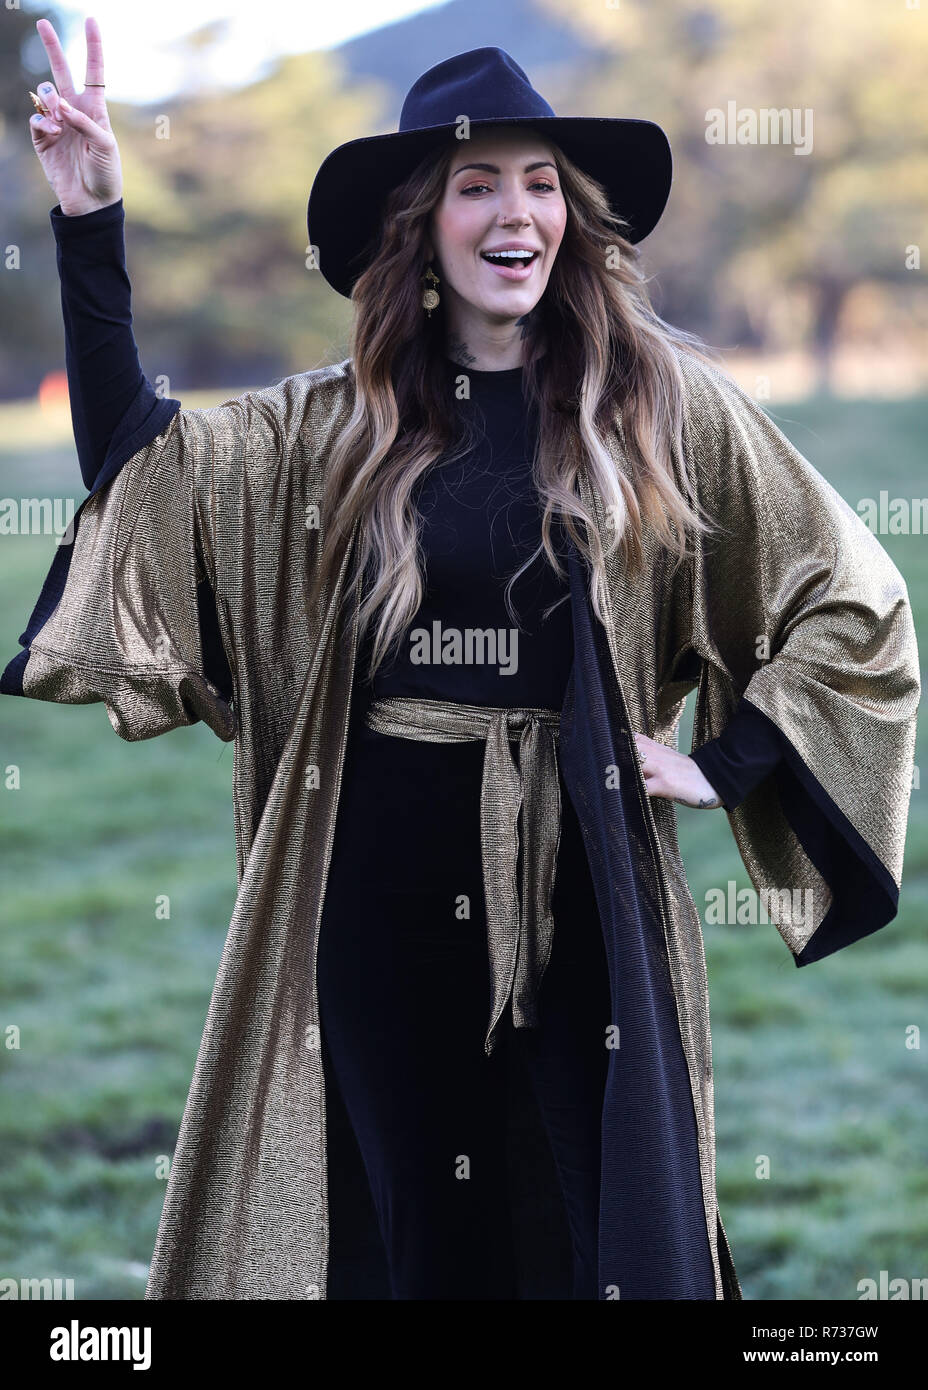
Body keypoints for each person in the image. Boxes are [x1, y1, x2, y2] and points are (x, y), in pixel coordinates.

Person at [9, 21, 917, 1301]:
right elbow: (145, 482)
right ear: (420, 227)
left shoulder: (657, 406)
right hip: (376, 889)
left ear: (572, 215)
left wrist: (731, 760)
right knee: (405, 1242)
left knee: (605, 1227)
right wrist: (92, 223)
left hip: (584, 883)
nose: (516, 213)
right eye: (475, 185)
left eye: (539, 183)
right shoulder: (332, 425)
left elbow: (850, 599)